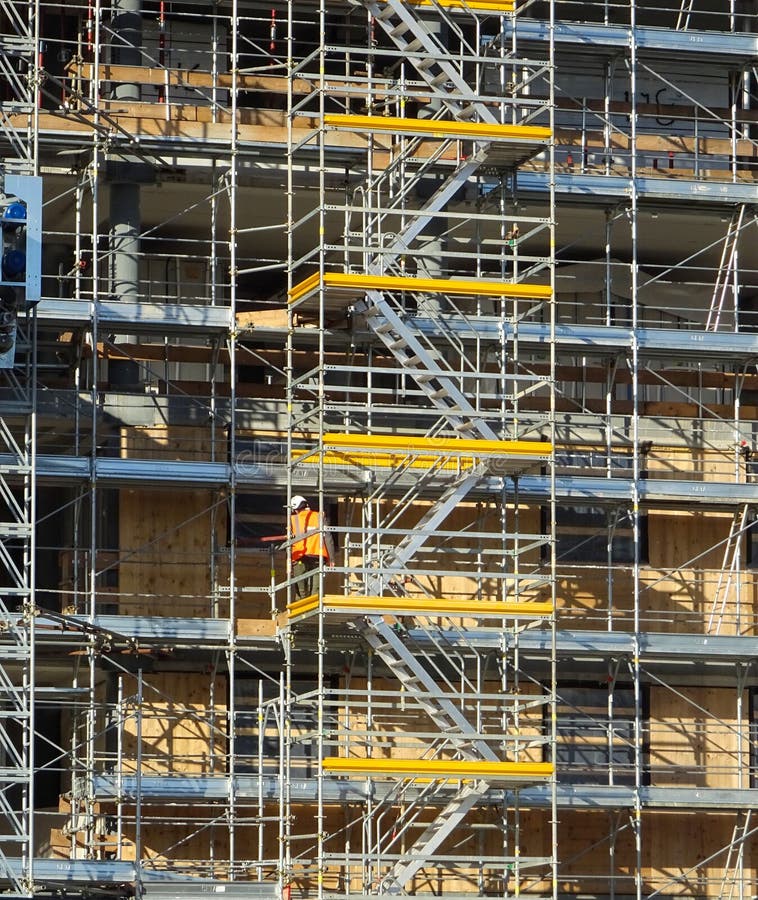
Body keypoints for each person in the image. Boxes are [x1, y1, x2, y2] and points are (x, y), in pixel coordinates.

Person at [287, 495, 335, 599]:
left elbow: (289, 542)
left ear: (294, 509)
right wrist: (331, 559)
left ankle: (302, 612)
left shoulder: (292, 519)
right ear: (306, 504)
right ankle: (315, 611)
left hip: (299, 557)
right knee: (316, 590)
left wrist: (289, 560)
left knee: (301, 591)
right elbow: (328, 537)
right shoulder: (319, 516)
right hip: (318, 556)